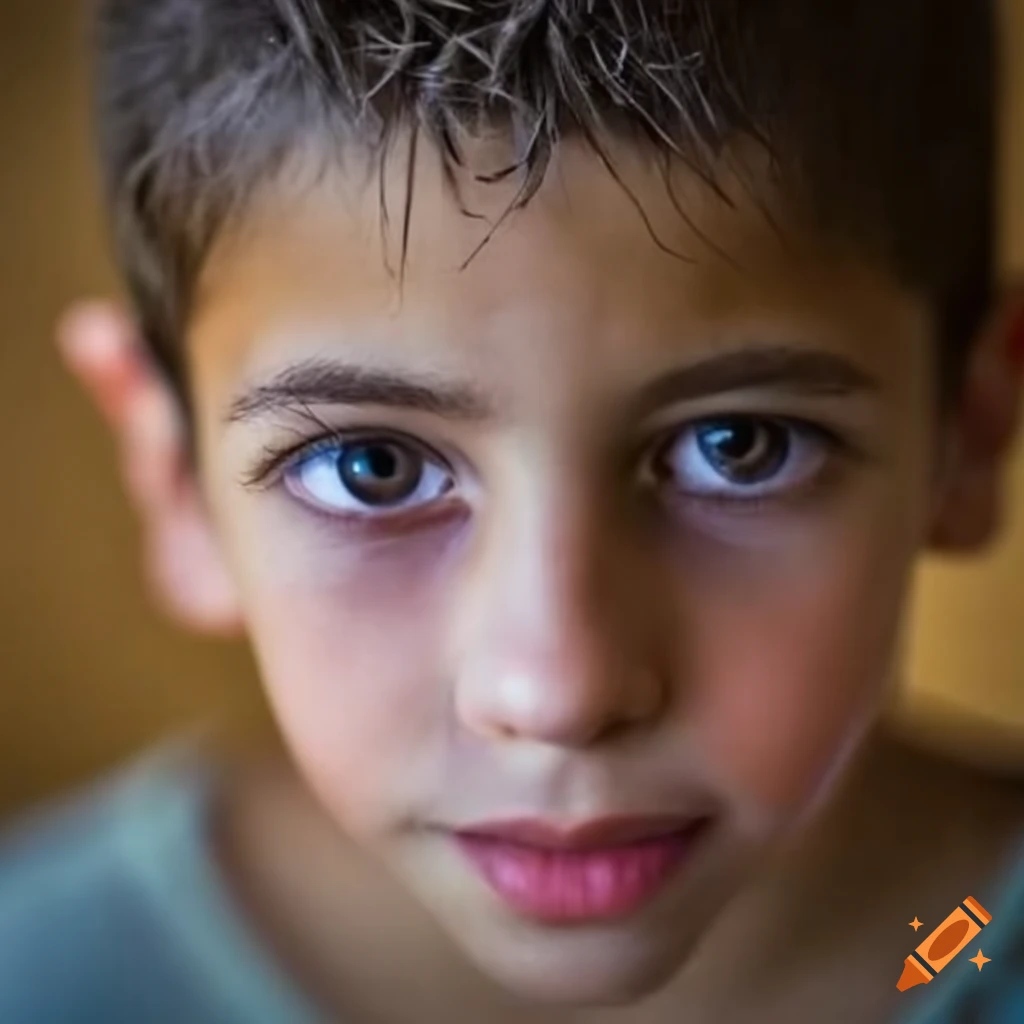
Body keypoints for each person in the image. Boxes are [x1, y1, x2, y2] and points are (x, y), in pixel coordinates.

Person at [2, 0, 1023, 1020]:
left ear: (968, 432)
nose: (556, 691)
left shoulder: (958, 943)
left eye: (737, 447)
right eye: (371, 467)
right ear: (176, 475)